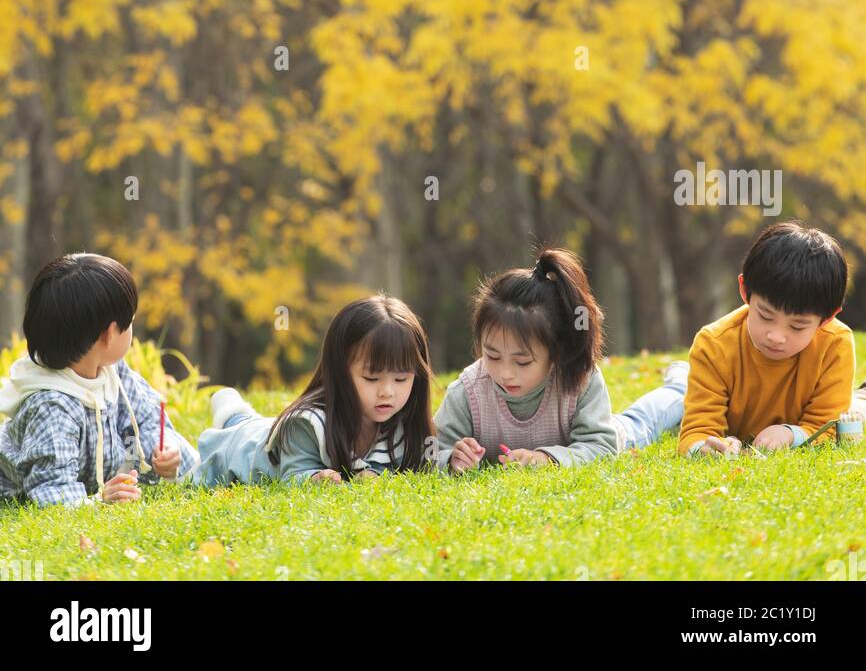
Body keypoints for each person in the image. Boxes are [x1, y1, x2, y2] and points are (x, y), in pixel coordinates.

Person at [433, 245, 686, 472]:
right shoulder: (469, 391)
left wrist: (546, 459)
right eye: (492, 355)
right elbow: (429, 450)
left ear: (556, 352)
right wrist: (452, 459)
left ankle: (680, 386)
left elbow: (601, 446)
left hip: (615, 433)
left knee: (643, 420)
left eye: (522, 362)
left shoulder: (579, 378)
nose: (505, 373)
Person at [0, 253, 198, 506]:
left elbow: (147, 417)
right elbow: (51, 489)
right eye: (130, 323)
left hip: (96, 470)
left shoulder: (112, 370)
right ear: (108, 335)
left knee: (176, 446)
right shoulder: (53, 407)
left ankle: (216, 455)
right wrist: (98, 501)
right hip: (25, 487)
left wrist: (167, 451)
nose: (132, 330)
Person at [192, 294, 435, 487]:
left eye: (401, 378)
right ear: (340, 371)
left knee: (246, 419)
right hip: (243, 448)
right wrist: (314, 479)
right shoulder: (307, 425)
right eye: (372, 378)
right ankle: (229, 407)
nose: (387, 392)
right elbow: (292, 475)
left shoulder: (402, 423)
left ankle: (233, 411)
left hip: (262, 428)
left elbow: (404, 466)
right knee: (238, 431)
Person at [678, 221, 862, 456]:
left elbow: (826, 427)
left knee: (855, 414)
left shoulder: (835, 344)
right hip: (700, 390)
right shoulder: (714, 345)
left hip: (836, 405)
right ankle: (677, 380)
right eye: (765, 316)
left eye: (797, 326)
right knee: (674, 404)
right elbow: (696, 431)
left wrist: (791, 434)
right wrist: (704, 448)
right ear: (745, 291)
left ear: (826, 319)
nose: (776, 337)